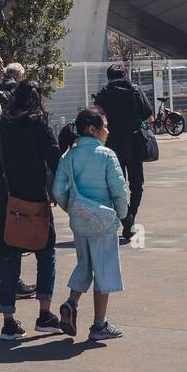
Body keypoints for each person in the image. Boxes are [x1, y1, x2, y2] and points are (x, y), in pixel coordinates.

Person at [0, 79, 62, 340]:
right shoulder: (38, 126)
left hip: (6, 202)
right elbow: (55, 160)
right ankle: (44, 314)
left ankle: (8, 321)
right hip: (35, 201)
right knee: (46, 252)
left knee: (8, 257)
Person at [53, 107, 128, 341]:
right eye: (104, 126)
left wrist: (73, 209)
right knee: (103, 270)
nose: (107, 130)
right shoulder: (107, 155)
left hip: (80, 222)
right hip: (103, 222)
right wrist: (122, 214)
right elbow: (119, 190)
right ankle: (99, 324)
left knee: (84, 265)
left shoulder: (68, 156)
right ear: (92, 130)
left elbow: (57, 190)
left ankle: (71, 302)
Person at [94, 67, 153, 244]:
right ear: (124, 75)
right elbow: (147, 112)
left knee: (115, 185)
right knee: (136, 184)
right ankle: (130, 218)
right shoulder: (134, 91)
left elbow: (96, 117)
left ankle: (126, 218)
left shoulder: (103, 94)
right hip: (134, 144)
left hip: (111, 144)